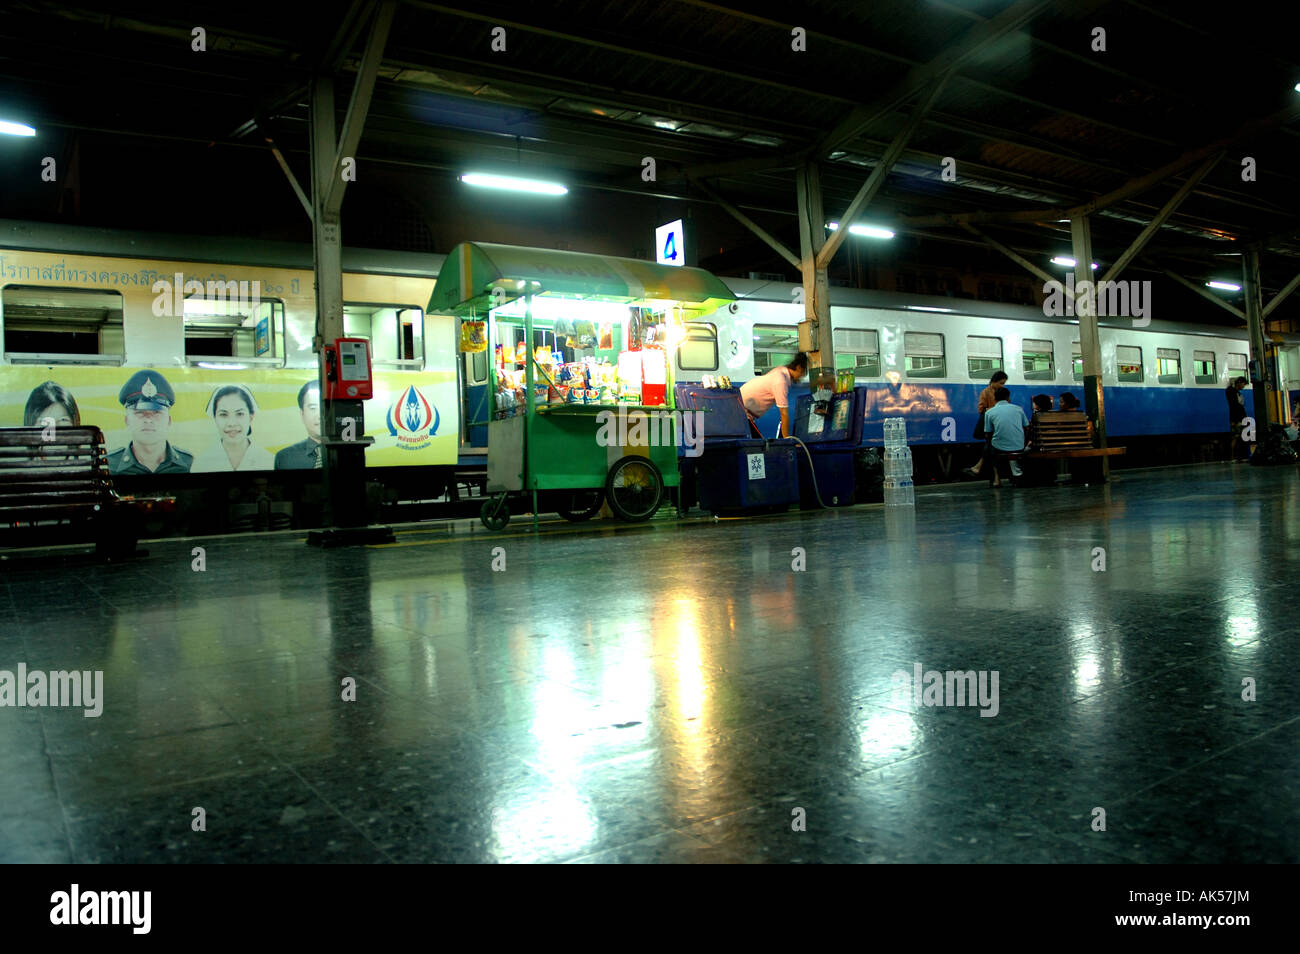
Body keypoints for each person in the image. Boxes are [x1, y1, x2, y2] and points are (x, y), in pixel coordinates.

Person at [107, 370, 193, 474]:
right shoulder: (108, 466)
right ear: (127, 421)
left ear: (169, 421)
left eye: (156, 413)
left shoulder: (190, 464)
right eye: (140, 413)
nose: (148, 419)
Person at [191, 384, 274, 472]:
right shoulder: (201, 464)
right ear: (215, 418)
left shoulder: (270, 461)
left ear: (251, 417)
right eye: (223, 414)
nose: (231, 423)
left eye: (239, 414)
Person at [740, 352, 807, 438]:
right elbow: (784, 415)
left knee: (756, 444)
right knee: (757, 447)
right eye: (802, 373)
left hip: (740, 408)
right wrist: (787, 441)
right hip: (742, 412)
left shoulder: (781, 370)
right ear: (798, 368)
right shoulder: (781, 381)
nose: (801, 377)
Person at [963, 370, 1008, 478]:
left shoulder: (1002, 391)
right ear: (994, 381)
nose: (1002, 385)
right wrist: (995, 410)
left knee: (990, 447)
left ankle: (980, 468)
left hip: (999, 424)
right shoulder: (985, 392)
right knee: (990, 447)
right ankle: (988, 473)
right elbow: (981, 409)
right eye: (1001, 383)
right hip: (992, 424)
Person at [984, 386, 1028, 488]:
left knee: (988, 448)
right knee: (1007, 448)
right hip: (1019, 445)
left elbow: (988, 434)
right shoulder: (1018, 409)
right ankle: (1015, 475)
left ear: (995, 399)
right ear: (1008, 398)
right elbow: (1026, 427)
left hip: (1000, 448)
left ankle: (996, 478)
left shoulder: (989, 412)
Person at [275, 380, 323, 469]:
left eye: (324, 407)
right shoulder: (285, 458)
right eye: (313, 408)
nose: (319, 415)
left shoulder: (351, 453)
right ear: (302, 414)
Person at [1226, 376, 1250, 461]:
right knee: (1237, 437)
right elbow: (1236, 406)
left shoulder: (1236, 392)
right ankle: (1235, 457)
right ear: (1239, 382)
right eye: (1243, 384)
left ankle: (1239, 456)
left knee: (1238, 437)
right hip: (1237, 418)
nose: (1243, 386)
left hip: (1239, 418)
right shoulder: (1232, 392)